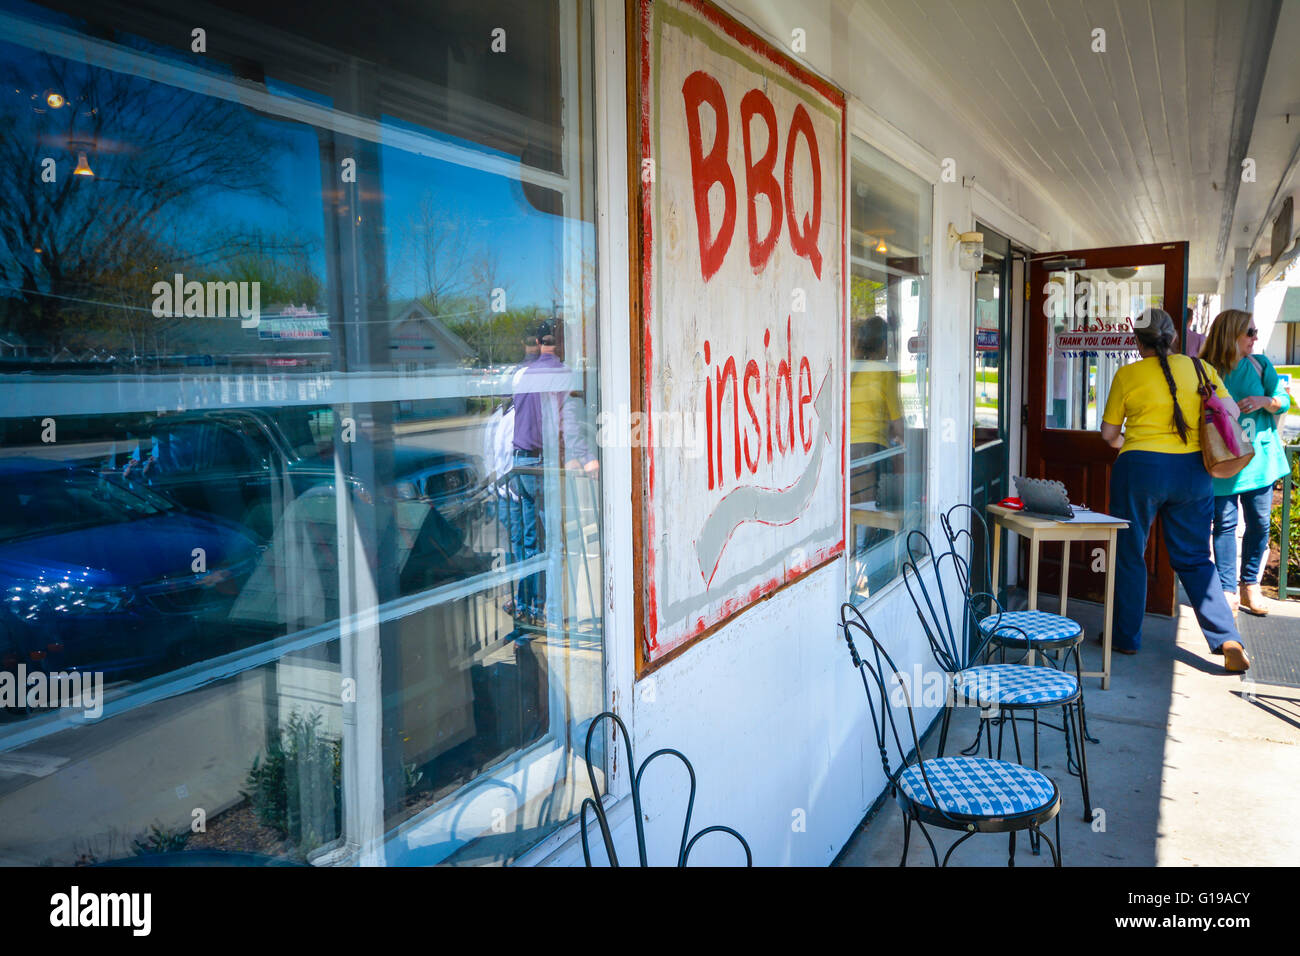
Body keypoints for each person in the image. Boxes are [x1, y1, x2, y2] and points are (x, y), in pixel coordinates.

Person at [1099, 307, 1249, 672]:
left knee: (1130, 553)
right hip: (1193, 473)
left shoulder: (1128, 374)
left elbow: (1108, 434)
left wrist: (1130, 443)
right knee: (1195, 557)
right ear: (1174, 338)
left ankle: (1125, 638)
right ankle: (1227, 638)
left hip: (1140, 470)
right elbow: (1231, 413)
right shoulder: (1201, 369)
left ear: (1138, 342)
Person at [1199, 309, 1292, 617]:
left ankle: (1249, 584)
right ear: (1231, 334)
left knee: (1260, 523)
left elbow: (1285, 401)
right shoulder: (1206, 369)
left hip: (1260, 461)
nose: (1255, 337)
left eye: (1255, 332)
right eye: (1250, 332)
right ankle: (1227, 589)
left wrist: (1266, 401)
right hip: (1223, 460)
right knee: (1224, 525)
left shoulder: (1260, 364)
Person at [508, 319, 598, 630]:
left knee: (530, 541)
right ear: (561, 342)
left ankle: (531, 605)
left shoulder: (525, 374)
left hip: (520, 462)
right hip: (541, 463)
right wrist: (585, 457)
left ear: (538, 343)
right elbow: (567, 423)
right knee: (555, 544)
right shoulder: (560, 374)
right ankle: (554, 614)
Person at [848, 316, 903, 556]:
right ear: (882, 344)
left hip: (848, 454)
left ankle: (853, 566)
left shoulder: (853, 369)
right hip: (870, 454)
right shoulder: (883, 372)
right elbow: (898, 427)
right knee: (870, 521)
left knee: (853, 518)